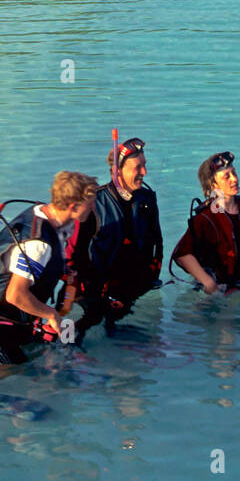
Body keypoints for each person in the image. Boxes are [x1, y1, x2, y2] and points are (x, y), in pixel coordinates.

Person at [0, 171, 99, 364]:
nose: (94, 207)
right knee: (15, 371)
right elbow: (16, 295)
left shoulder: (42, 212)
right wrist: (51, 314)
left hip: (15, 317)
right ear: (74, 206)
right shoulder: (38, 245)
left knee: (36, 360)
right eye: (90, 204)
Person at [81, 136, 163, 333]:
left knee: (144, 350)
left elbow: (157, 244)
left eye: (145, 165)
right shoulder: (94, 205)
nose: (144, 172)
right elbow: (76, 257)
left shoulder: (147, 199)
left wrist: (151, 278)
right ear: (117, 171)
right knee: (75, 344)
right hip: (98, 297)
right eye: (137, 167)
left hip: (137, 292)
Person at [171, 151, 240, 292]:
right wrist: (208, 282)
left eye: (234, 173)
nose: (234, 179)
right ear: (213, 184)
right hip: (224, 291)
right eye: (227, 176)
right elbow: (182, 255)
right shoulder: (204, 219)